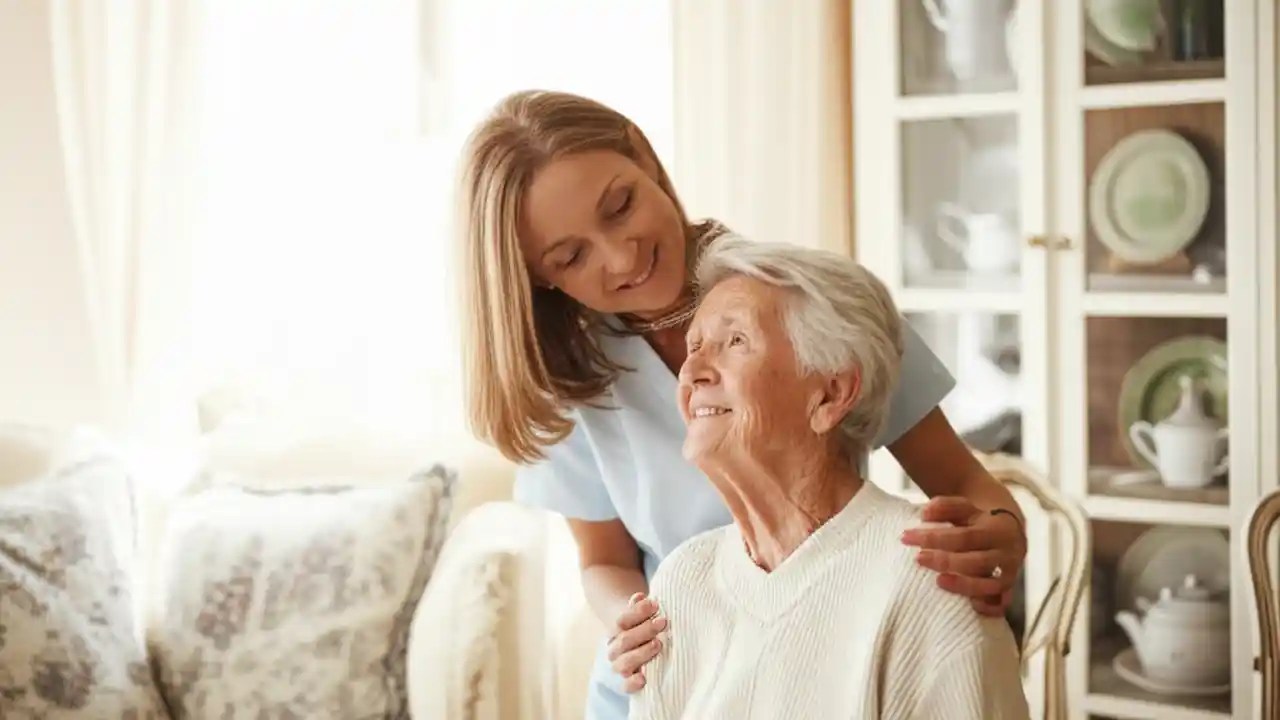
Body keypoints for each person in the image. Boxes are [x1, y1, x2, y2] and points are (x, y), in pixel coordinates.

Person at [457, 89, 1027, 720]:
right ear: (540, 277)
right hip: (667, 677)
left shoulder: (812, 301)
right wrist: (637, 622)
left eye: (620, 206)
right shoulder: (571, 375)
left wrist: (999, 533)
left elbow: (963, 482)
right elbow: (603, 562)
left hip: (814, 669)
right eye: (571, 256)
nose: (621, 257)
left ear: (643, 154)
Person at [628, 234, 1030, 719]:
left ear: (831, 394)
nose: (692, 370)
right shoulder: (681, 582)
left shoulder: (930, 582)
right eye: (694, 347)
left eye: (735, 341)